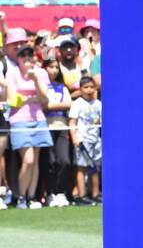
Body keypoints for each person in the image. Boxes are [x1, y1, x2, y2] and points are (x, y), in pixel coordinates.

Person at [5, 45, 52, 208]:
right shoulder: (12, 73)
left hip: (39, 118)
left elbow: (45, 100)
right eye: (22, 55)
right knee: (28, 160)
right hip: (19, 119)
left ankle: (31, 197)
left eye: (30, 55)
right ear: (17, 59)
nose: (26, 58)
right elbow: (12, 100)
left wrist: (35, 82)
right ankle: (20, 197)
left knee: (36, 160)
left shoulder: (41, 73)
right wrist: (32, 98)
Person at [39, 56, 72, 207]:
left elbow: (68, 103)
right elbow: (42, 105)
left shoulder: (62, 87)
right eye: (50, 67)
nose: (53, 70)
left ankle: (61, 192)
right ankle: (50, 192)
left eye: (56, 67)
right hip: (46, 126)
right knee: (49, 161)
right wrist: (55, 105)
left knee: (64, 160)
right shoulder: (41, 86)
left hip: (61, 126)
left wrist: (50, 105)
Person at [69, 75, 102, 205]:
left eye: (91, 87)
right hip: (82, 140)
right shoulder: (77, 104)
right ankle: (82, 196)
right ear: (80, 89)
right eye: (86, 87)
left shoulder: (99, 104)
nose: (89, 90)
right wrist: (74, 137)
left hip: (95, 140)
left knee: (95, 167)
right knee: (81, 168)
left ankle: (95, 194)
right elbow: (72, 121)